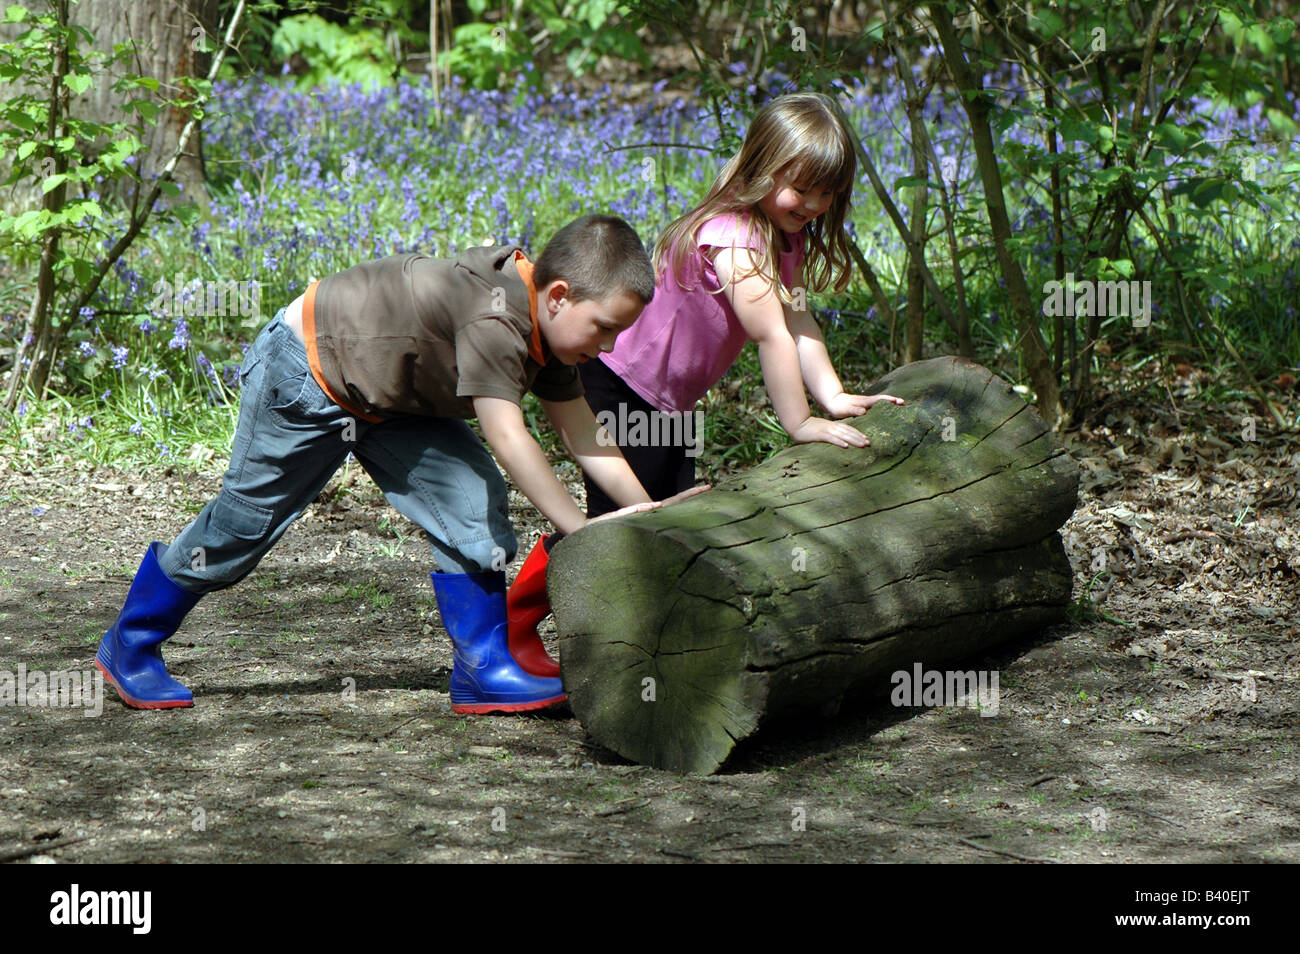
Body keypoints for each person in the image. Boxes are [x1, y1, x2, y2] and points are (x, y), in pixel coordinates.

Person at [96, 214, 694, 715]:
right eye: (606, 329)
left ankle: (483, 671)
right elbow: (510, 438)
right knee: (240, 529)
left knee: (471, 502)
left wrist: (641, 509)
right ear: (560, 295)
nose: (611, 347)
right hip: (309, 373)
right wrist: (580, 528)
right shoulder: (497, 318)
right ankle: (131, 644)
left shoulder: (553, 326)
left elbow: (583, 431)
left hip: (391, 399)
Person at [507, 93, 904, 654]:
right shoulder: (734, 238)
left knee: (674, 519)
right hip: (621, 387)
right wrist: (800, 422)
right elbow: (769, 333)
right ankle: (543, 623)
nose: (813, 203)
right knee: (620, 524)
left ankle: (652, 644)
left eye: (827, 192)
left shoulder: (782, 236)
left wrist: (833, 395)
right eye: (801, 186)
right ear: (760, 167)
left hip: (672, 404)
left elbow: (796, 320)